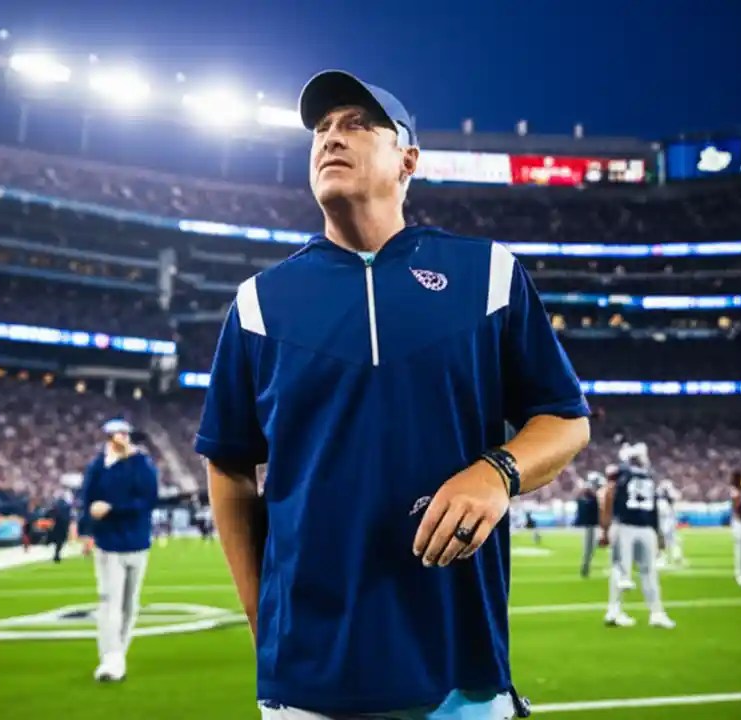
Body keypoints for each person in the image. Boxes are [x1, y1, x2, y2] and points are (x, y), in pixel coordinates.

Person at [195, 70, 590, 719]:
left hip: (459, 670)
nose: (330, 138)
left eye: (355, 124)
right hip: (308, 678)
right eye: (321, 129)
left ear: (408, 159)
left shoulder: (488, 276)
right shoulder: (259, 303)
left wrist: (498, 471)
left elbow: (567, 419)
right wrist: (257, 611)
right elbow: (229, 463)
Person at [79, 417, 159, 683]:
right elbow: (86, 500)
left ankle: (118, 656)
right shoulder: (98, 468)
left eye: (125, 434)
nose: (122, 439)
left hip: (136, 542)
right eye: (117, 434)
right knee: (110, 602)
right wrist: (86, 530)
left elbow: (148, 498)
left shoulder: (141, 464)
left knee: (128, 605)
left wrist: (113, 508)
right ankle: (111, 658)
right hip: (109, 543)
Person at [600, 443, 675, 629]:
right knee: (638, 571)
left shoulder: (623, 473)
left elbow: (608, 494)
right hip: (636, 526)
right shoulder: (647, 475)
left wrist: (606, 526)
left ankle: (620, 610)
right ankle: (645, 612)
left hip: (630, 524)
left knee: (624, 569)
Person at [576, 472, 602, 578]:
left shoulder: (592, 495)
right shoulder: (590, 496)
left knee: (589, 549)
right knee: (589, 549)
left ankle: (585, 567)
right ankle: (585, 568)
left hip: (596, 524)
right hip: (593, 525)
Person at [655, 477, 684, 569]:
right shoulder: (659, 495)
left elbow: (676, 497)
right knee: (665, 539)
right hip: (663, 519)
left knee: (668, 538)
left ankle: (670, 557)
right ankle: (666, 558)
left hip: (668, 519)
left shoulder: (668, 494)